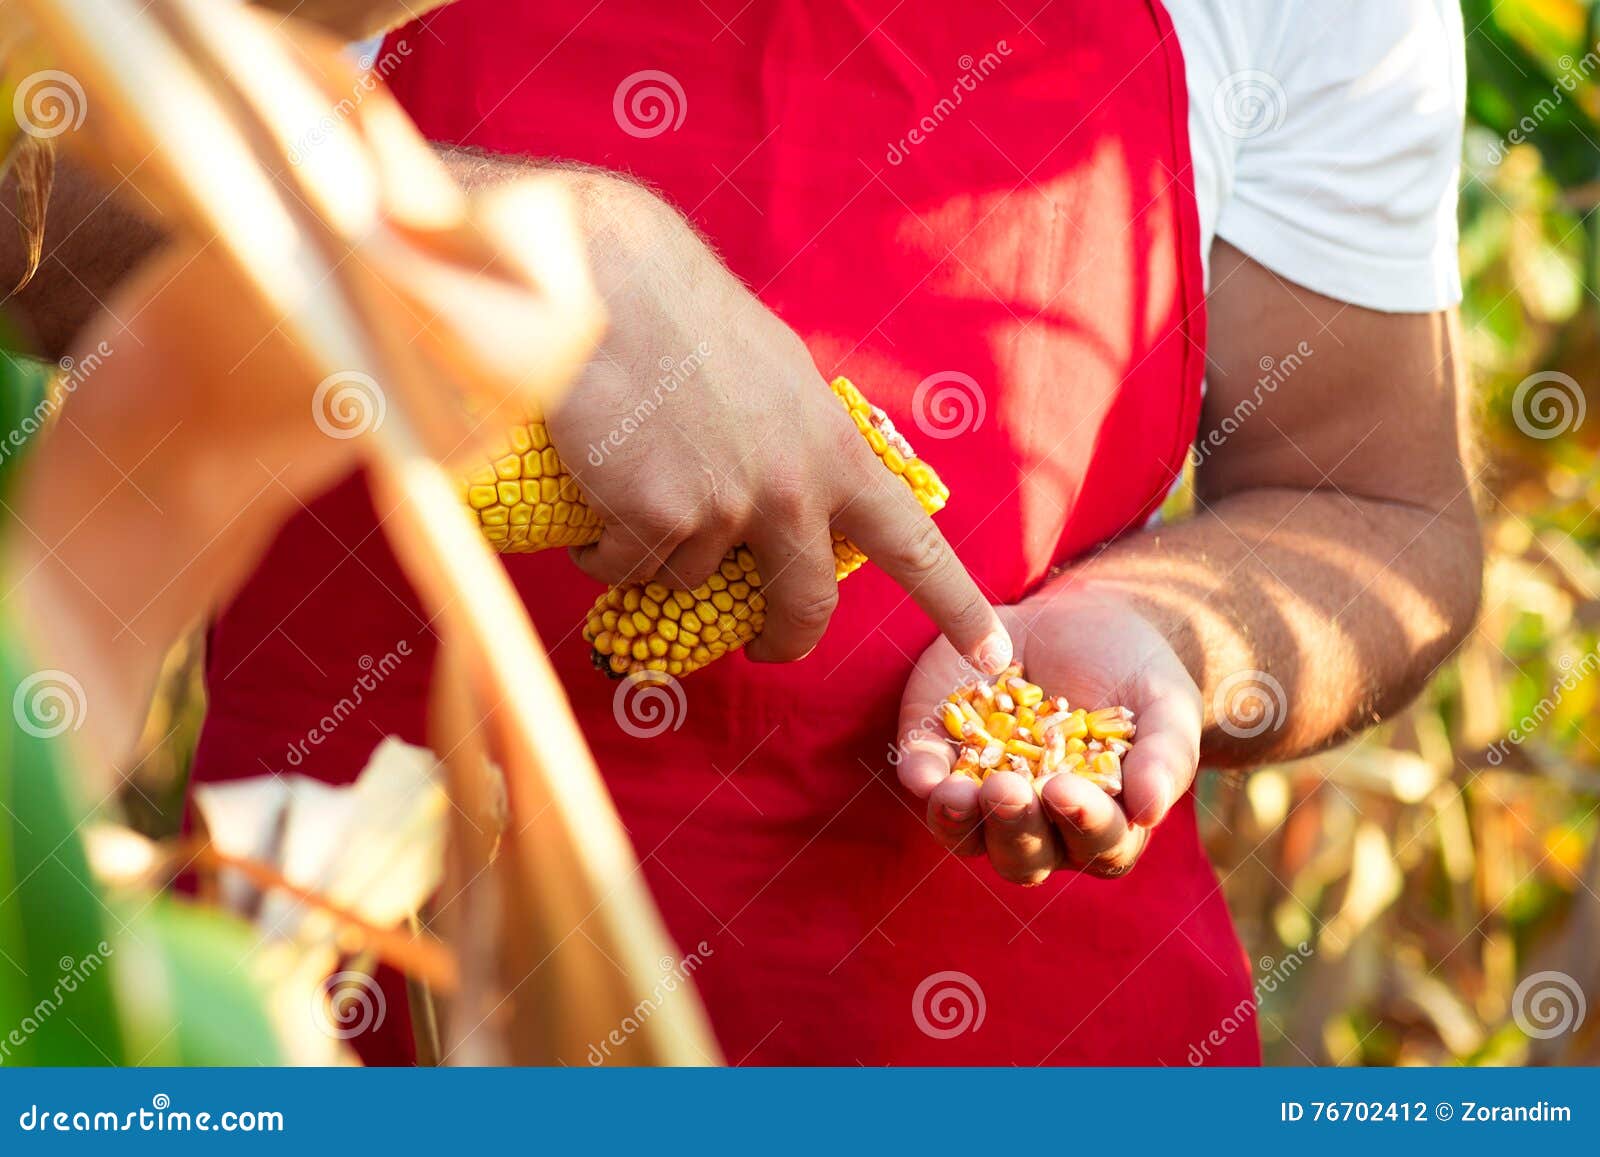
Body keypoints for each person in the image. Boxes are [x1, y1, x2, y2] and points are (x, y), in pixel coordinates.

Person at [2, 0, 1480, 1065]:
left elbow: (1375, 509)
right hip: (357, 1005)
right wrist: (514, 249)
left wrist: (1162, 625)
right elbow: (37, 203)